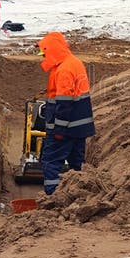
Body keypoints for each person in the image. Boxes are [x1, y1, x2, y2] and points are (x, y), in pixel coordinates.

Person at [37, 32, 95, 195]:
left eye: (44, 53)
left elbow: (64, 102)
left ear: (52, 50)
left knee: (50, 162)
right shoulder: (74, 63)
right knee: (76, 163)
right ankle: (80, 195)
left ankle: (52, 199)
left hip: (65, 129)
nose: (43, 57)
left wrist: (59, 130)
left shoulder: (64, 70)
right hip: (79, 128)